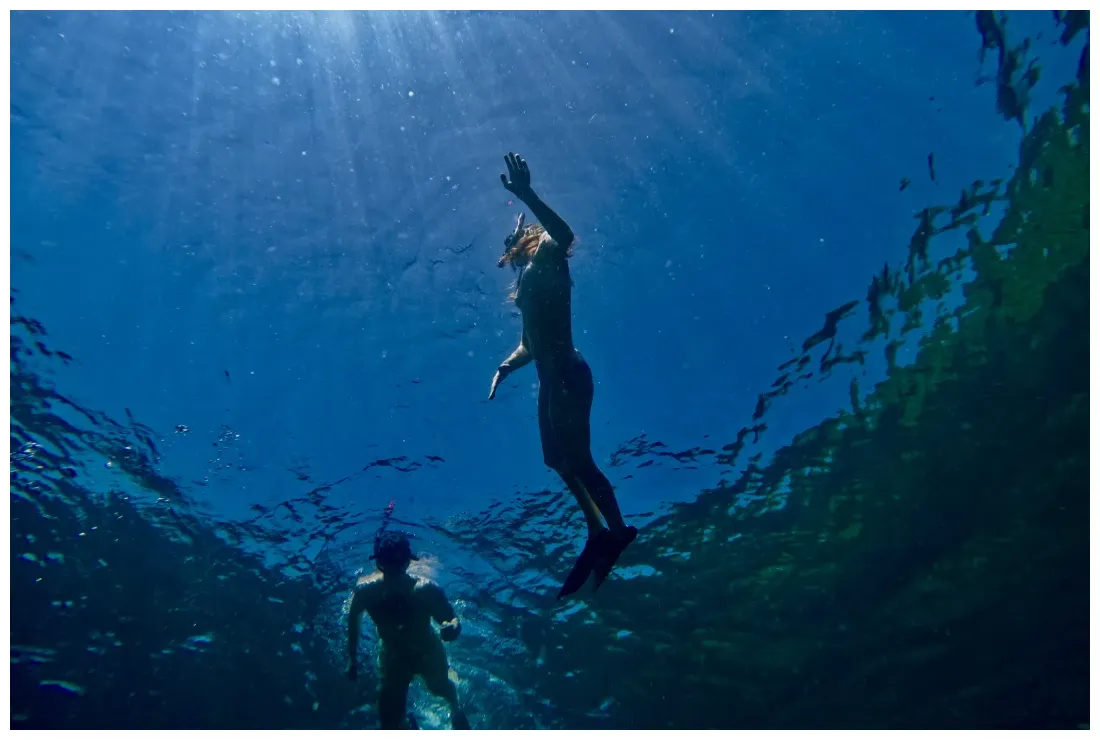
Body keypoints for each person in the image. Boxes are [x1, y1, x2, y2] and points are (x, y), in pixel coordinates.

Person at [489, 151, 638, 600]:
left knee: (579, 459)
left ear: (528, 239)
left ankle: (616, 530)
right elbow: (529, 346)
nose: (510, 240)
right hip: (552, 380)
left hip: (569, 374)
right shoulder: (526, 289)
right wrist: (503, 368)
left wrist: (526, 193)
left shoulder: (551, 257)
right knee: (556, 459)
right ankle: (598, 530)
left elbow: (565, 232)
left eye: (516, 233)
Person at [345, 530, 471, 730]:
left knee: (438, 688)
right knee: (396, 711)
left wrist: (352, 658)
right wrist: (451, 627)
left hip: (417, 653)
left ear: (379, 563)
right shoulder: (422, 589)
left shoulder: (367, 592)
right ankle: (450, 710)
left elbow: (452, 620)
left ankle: (455, 709)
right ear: (407, 562)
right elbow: (451, 619)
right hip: (407, 654)